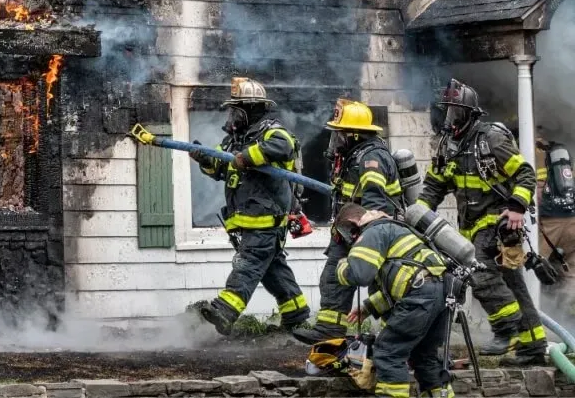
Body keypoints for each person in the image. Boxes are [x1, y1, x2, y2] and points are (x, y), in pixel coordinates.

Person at [417, 78, 544, 365]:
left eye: (456, 112)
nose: (451, 118)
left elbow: (525, 173)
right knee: (514, 287)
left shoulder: (491, 140)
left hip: (498, 226)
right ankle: (532, 346)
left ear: (470, 113)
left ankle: (506, 329)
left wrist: (516, 207)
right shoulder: (448, 146)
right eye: (447, 111)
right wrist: (418, 217)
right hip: (470, 228)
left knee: (481, 275)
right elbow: (434, 188)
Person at [189, 77, 310, 334]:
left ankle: (225, 311)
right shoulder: (235, 139)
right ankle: (296, 316)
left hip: (266, 219)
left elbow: (284, 145)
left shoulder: (271, 130)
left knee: (248, 264)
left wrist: (247, 157)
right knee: (273, 272)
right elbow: (221, 167)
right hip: (247, 220)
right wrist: (204, 158)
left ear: (252, 109)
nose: (232, 116)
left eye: (237, 110)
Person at [294, 99, 405, 346]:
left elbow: (375, 203)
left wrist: (365, 236)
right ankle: (329, 329)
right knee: (333, 277)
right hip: (348, 232)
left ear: (355, 135)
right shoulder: (353, 156)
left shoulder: (371, 158)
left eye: (340, 135)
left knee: (382, 288)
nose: (335, 140)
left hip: (372, 233)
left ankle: (398, 339)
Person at [334, 202, 452, 398]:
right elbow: (403, 284)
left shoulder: (372, 232)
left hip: (422, 296)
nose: (350, 239)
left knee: (388, 352)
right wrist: (368, 307)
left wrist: (341, 266)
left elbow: (360, 275)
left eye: (347, 233)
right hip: (443, 293)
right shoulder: (394, 228)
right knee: (424, 356)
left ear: (351, 223)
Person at [535, 134, 575, 318]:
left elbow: (537, 191)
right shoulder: (565, 155)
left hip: (550, 221)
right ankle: (567, 314)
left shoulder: (533, 152)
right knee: (571, 271)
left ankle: (532, 314)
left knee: (532, 262)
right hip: (572, 219)